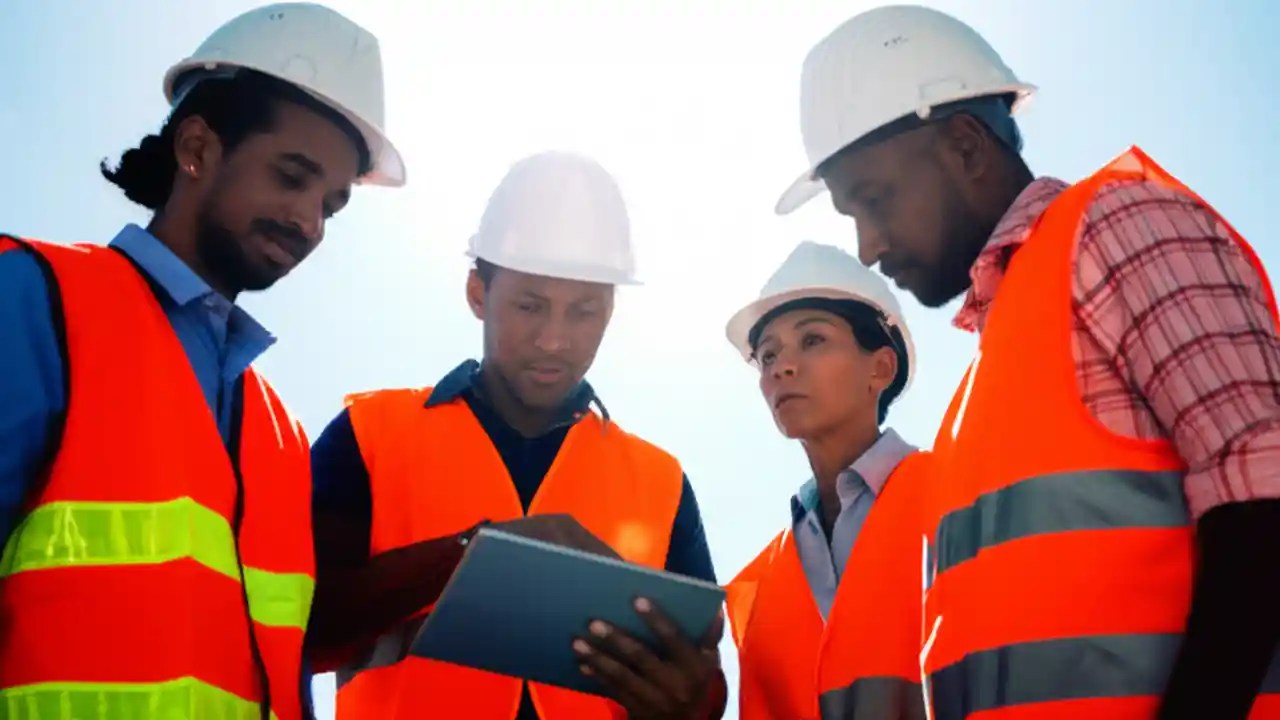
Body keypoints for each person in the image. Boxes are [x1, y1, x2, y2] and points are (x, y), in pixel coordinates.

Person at [774, 5, 1280, 720]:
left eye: (875, 199)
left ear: (966, 146)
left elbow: (1262, 499)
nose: (867, 246)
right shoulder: (979, 390)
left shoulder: (1119, 226)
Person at [0, 4, 403, 720]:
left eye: (331, 205)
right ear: (196, 149)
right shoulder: (36, 297)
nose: (309, 221)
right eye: (292, 176)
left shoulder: (281, 432)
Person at [306, 151, 726, 720]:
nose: (554, 339)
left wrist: (691, 700)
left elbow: (704, 686)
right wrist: (470, 555)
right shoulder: (369, 436)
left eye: (584, 311)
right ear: (479, 293)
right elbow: (295, 625)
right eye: (530, 305)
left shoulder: (661, 480)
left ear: (610, 312)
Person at [722, 240, 929, 720]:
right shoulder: (756, 586)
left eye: (812, 340)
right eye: (767, 355)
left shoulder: (960, 494)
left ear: (880, 368)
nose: (782, 367)